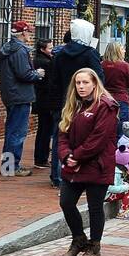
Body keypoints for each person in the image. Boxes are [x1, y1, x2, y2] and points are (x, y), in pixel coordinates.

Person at [56, 68, 118, 256]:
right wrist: (66, 155)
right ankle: (78, 239)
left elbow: (98, 138)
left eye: (85, 83)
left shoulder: (105, 105)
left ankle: (95, 245)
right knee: (66, 202)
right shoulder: (73, 106)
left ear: (94, 84)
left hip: (97, 164)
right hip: (74, 165)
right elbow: (62, 134)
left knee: (95, 207)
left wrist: (78, 156)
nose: (81, 87)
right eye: (78, 83)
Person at [47, 20, 105, 188]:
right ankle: (77, 172)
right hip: (83, 103)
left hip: (63, 102)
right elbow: (99, 78)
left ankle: (57, 175)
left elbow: (54, 81)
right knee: (82, 138)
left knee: (61, 138)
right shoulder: (90, 54)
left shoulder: (60, 54)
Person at [0, 20, 45, 177]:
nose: (30, 35)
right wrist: (37, 74)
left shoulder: (9, 48)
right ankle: (11, 167)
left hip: (11, 94)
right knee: (17, 132)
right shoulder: (19, 51)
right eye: (29, 32)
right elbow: (24, 74)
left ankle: (8, 165)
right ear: (23, 33)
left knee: (11, 131)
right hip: (19, 95)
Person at [32, 37, 55, 172]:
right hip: (45, 100)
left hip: (41, 100)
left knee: (42, 130)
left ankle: (40, 158)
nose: (52, 50)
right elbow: (49, 82)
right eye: (50, 48)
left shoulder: (39, 60)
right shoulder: (45, 62)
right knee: (45, 130)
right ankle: (41, 158)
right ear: (42, 49)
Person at [102, 42, 129, 126]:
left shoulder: (101, 65)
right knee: (121, 128)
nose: (124, 51)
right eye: (122, 49)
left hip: (105, 98)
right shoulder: (124, 65)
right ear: (118, 51)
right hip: (121, 98)